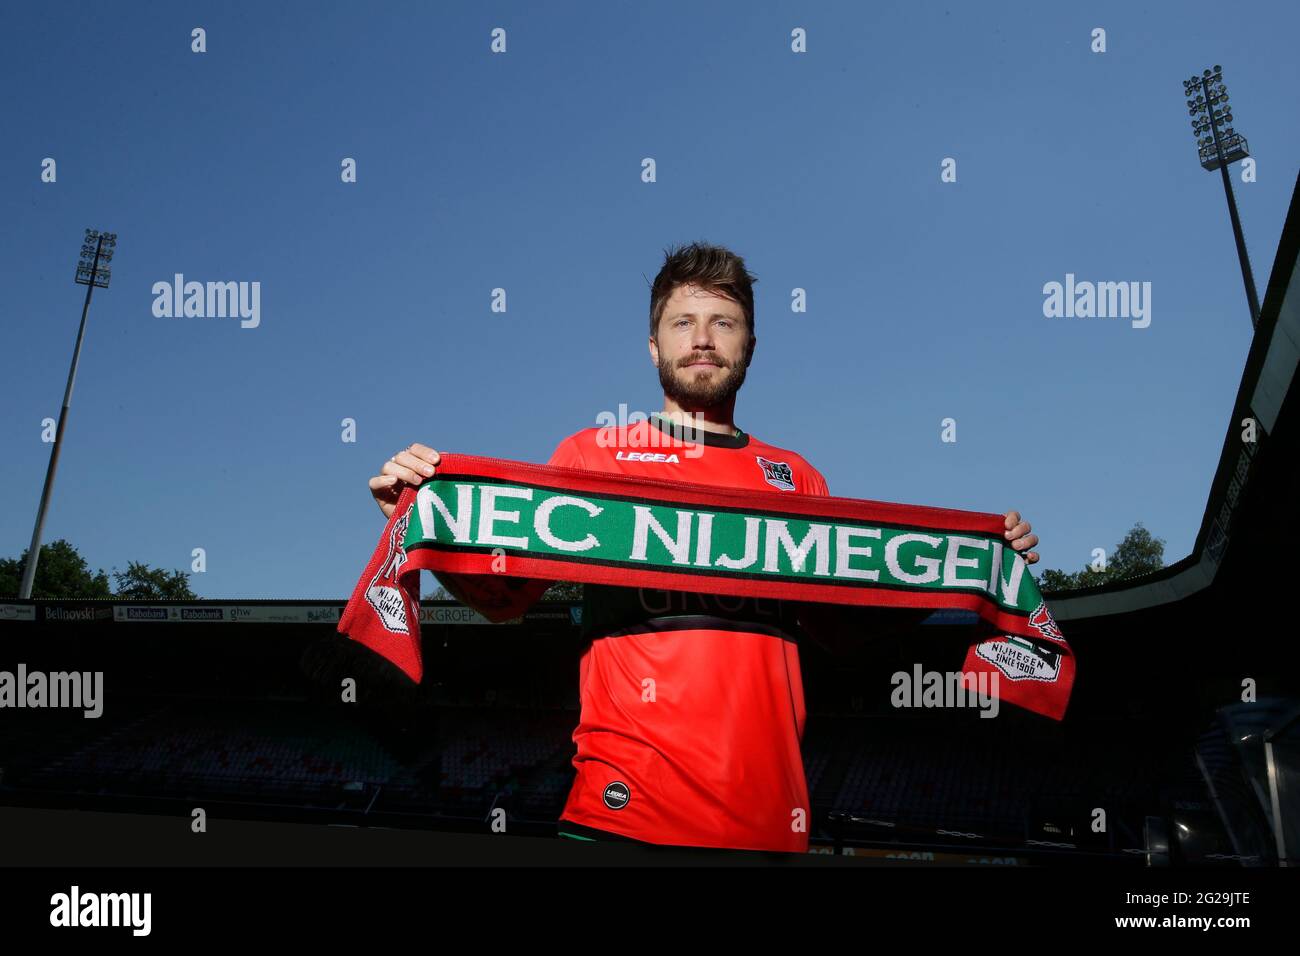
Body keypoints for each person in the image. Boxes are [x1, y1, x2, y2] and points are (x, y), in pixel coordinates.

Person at [367, 242, 1041, 853]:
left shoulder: (797, 479)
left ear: (750, 344)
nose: (703, 340)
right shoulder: (592, 456)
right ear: (653, 348)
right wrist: (424, 524)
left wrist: (971, 568)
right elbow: (504, 600)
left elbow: (836, 628)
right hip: (622, 812)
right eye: (682, 323)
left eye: (724, 323)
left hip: (771, 819)